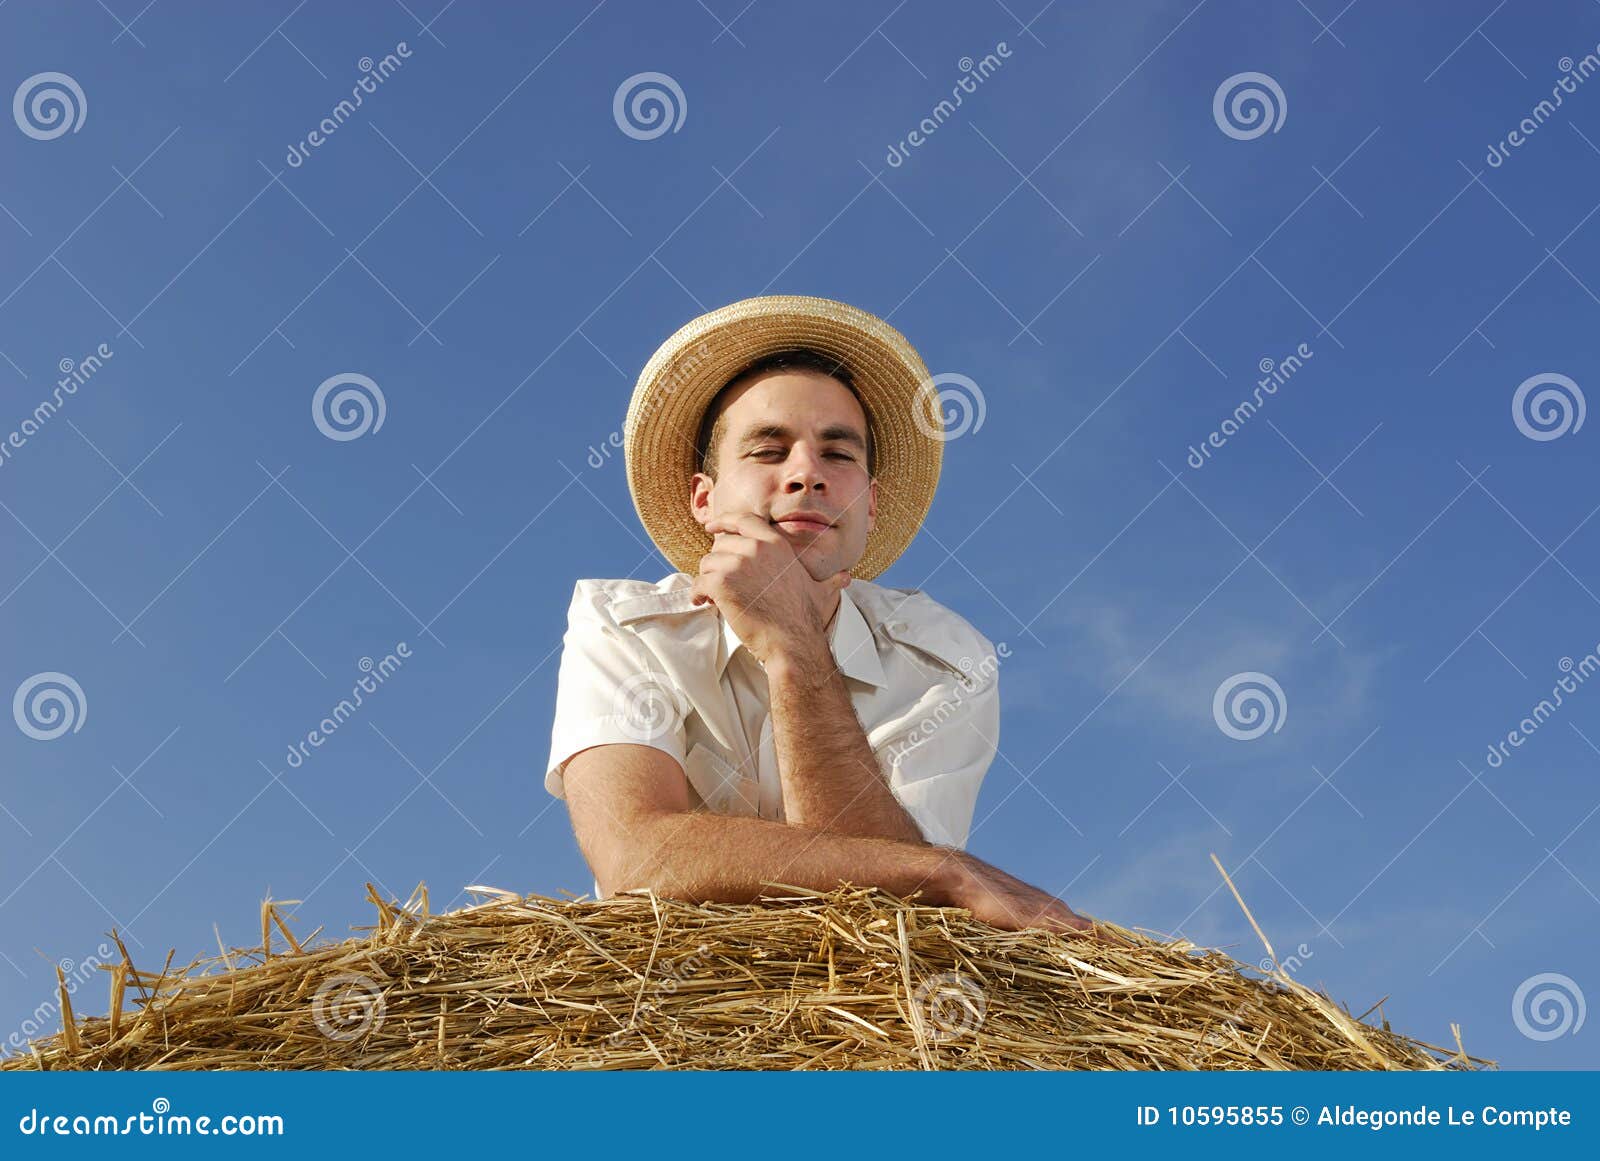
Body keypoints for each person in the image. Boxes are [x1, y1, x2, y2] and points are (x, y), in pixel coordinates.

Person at [543, 295, 1105, 938]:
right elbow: (637, 859)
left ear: (870, 504)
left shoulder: (948, 661)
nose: (807, 475)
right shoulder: (621, 625)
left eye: (838, 455)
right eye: (768, 450)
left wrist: (793, 645)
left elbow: (890, 918)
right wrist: (943, 869)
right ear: (704, 500)